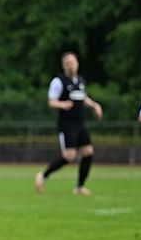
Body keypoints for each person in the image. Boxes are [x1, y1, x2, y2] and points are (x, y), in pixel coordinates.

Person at [35, 52, 103, 195]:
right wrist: (62, 104)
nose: (71, 65)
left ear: (77, 63)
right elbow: (51, 102)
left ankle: (79, 186)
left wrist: (95, 105)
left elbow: (83, 98)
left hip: (80, 124)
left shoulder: (80, 81)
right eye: (68, 63)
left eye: (73, 62)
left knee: (88, 152)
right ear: (64, 65)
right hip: (67, 125)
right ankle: (43, 175)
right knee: (69, 156)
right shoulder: (58, 82)